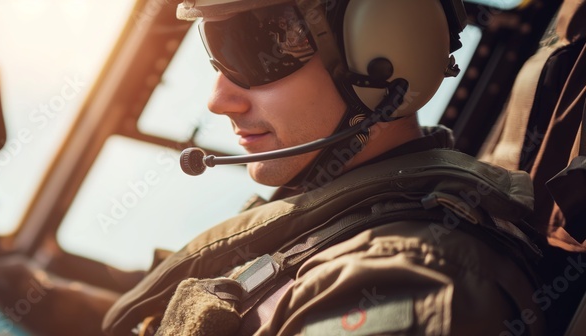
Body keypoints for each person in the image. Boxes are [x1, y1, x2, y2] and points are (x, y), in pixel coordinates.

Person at [101, 0, 547, 335]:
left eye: (258, 49)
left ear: (387, 51)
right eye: (219, 51)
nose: (218, 101)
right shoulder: (327, 230)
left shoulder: (403, 276)